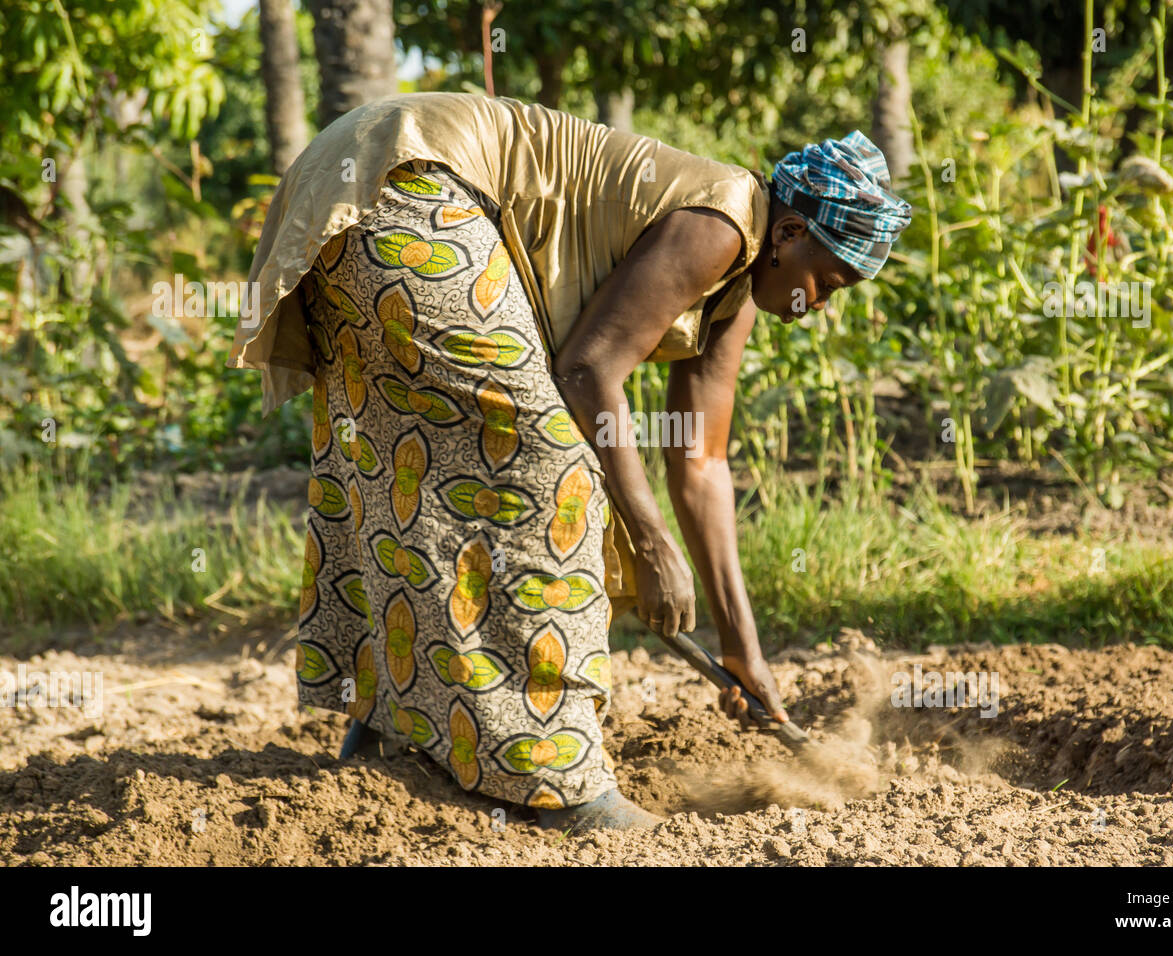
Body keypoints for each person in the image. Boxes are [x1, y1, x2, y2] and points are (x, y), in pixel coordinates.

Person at [226, 92, 910, 832]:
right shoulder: (719, 223)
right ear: (789, 231)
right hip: (409, 185)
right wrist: (648, 543)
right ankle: (562, 781)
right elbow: (587, 372)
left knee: (409, 472)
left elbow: (701, 461)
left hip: (347, 172)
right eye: (830, 280)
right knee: (561, 469)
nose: (823, 302)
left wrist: (745, 651)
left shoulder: (736, 284)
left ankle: (388, 728)